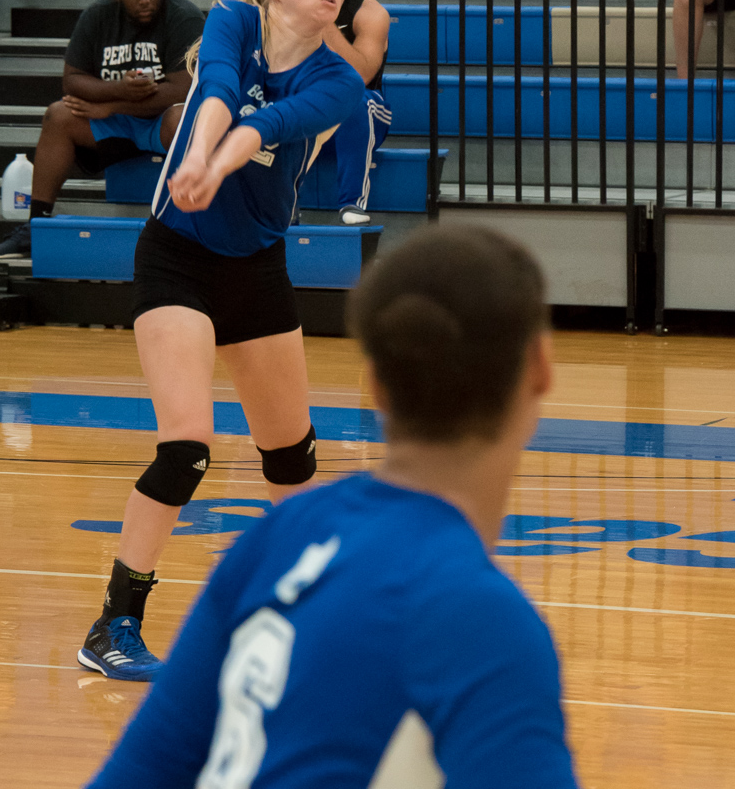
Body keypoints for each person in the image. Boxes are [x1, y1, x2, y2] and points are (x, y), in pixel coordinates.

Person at [84, 224, 579, 789]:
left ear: (377, 386)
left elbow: (139, 772)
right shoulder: (487, 621)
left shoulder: (275, 541)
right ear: (541, 367)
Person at [76, 0, 365, 681]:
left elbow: (263, 127)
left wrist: (219, 160)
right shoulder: (231, 23)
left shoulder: (338, 80)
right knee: (187, 446)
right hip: (178, 257)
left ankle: (298, 616)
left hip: (258, 270)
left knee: (291, 457)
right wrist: (196, 160)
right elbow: (216, 94)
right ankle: (114, 625)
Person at [0, 0, 204, 259]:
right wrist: (120, 90)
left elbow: (183, 90)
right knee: (59, 115)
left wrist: (112, 106)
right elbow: (72, 81)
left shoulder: (185, 16)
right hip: (119, 123)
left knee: (186, 117)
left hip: (159, 120)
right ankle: (35, 226)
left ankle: (195, 228)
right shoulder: (97, 16)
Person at [308, 0, 391, 225]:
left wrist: (325, 23)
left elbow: (360, 75)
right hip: (306, 116)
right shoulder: (281, 7)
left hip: (360, 113)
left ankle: (351, 204)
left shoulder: (369, 12)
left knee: (355, 99)